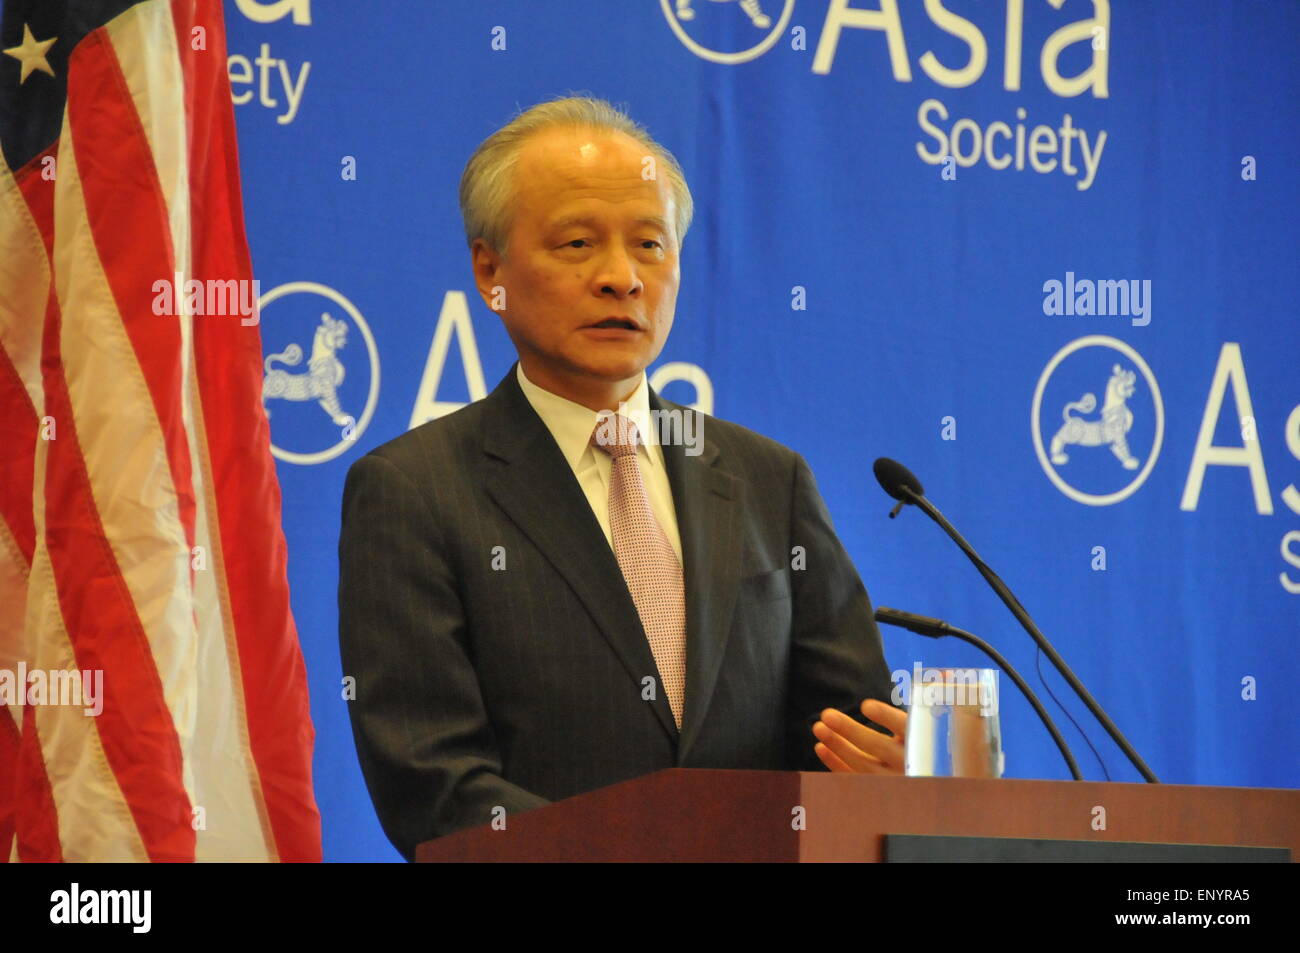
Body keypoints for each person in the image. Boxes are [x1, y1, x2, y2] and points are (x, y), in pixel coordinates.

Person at [338, 96, 905, 861]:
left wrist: (906, 773)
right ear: (490, 270)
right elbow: (435, 785)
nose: (621, 278)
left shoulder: (770, 479)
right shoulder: (413, 491)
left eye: (649, 244)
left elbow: (850, 735)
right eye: (577, 243)